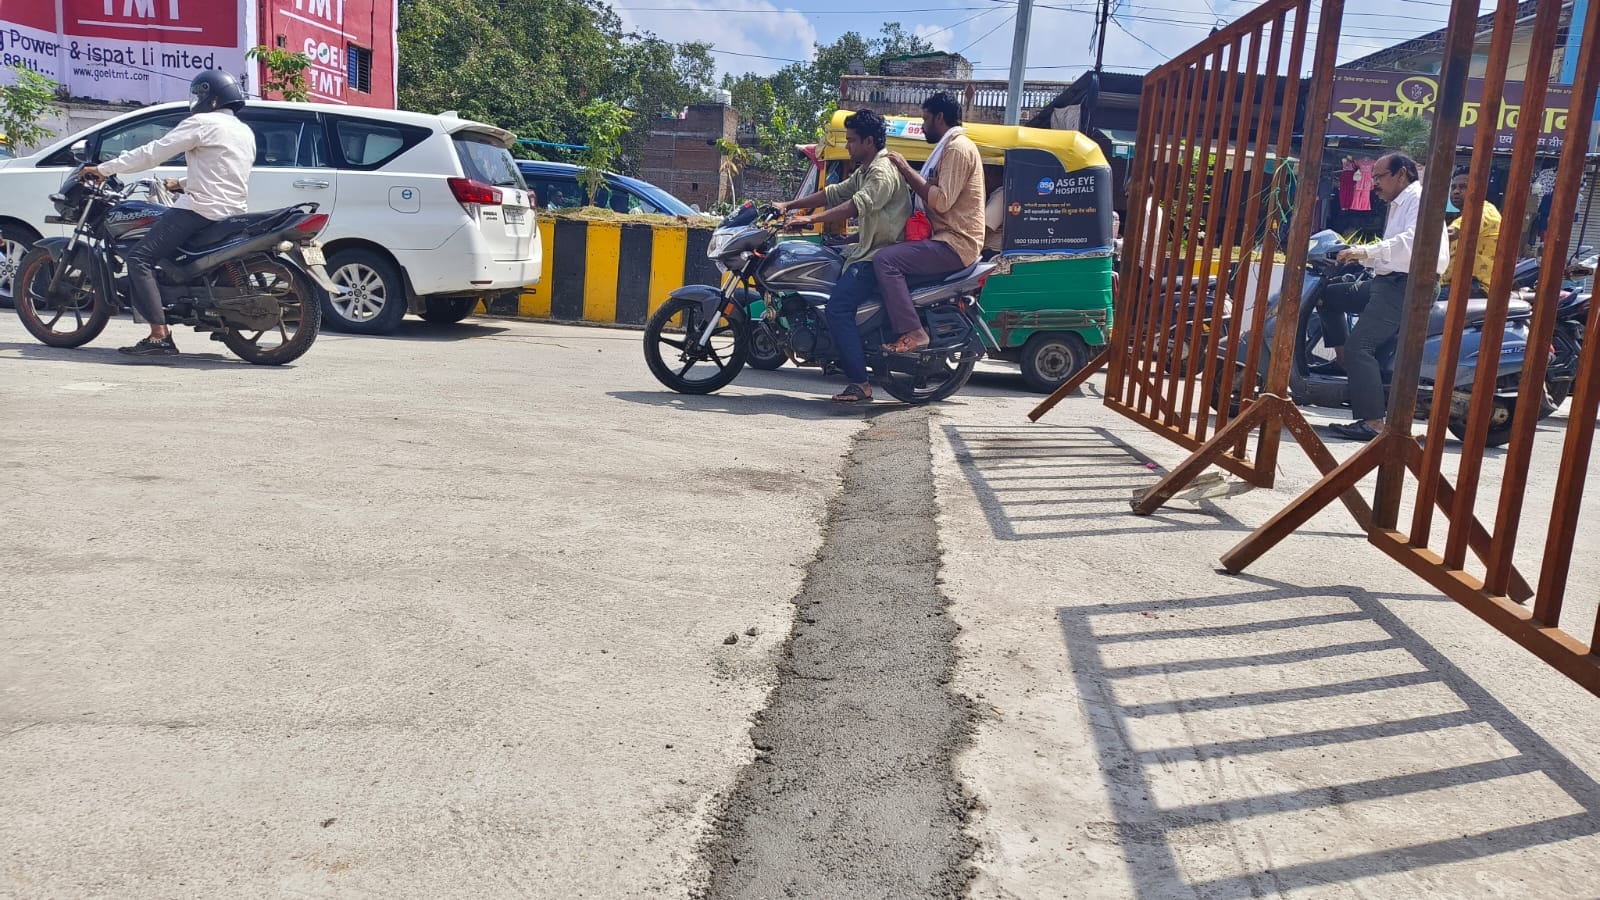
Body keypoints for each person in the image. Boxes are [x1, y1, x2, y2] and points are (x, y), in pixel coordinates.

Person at [84, 70, 255, 358]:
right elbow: (225, 171)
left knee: (139, 258)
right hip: (232, 210)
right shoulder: (243, 130)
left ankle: (158, 335)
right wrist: (182, 183)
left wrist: (104, 169)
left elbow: (153, 152)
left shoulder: (202, 122)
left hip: (200, 210)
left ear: (208, 97)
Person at [774, 109, 911, 403]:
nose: (847, 146)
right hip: (863, 249)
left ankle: (860, 383)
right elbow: (833, 193)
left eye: (851, 140)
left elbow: (855, 206)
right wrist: (789, 205)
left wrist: (808, 220)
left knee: (837, 310)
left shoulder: (882, 172)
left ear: (869, 142)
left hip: (876, 256)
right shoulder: (866, 169)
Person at [1325, 152, 1449, 442]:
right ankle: (1346, 361)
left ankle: (1372, 423)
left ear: (1402, 174)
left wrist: (1366, 252)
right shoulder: (1398, 203)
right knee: (1330, 298)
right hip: (1389, 281)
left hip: (1406, 286)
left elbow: (1411, 242)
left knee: (1361, 347)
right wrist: (1359, 258)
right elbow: (1394, 252)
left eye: (1379, 177)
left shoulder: (1419, 199)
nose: (1374, 184)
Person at [877, 91, 986, 354]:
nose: (923, 126)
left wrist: (905, 169)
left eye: (926, 119)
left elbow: (940, 201)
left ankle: (915, 331)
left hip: (955, 243)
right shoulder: (948, 148)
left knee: (885, 260)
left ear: (940, 117)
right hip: (944, 239)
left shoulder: (958, 148)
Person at [1444, 167, 1501, 295]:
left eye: (1463, 187)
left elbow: (1449, 233)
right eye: (1453, 188)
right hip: (1455, 285)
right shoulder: (1461, 217)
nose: (1456, 192)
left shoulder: (1484, 211)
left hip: (1476, 288)